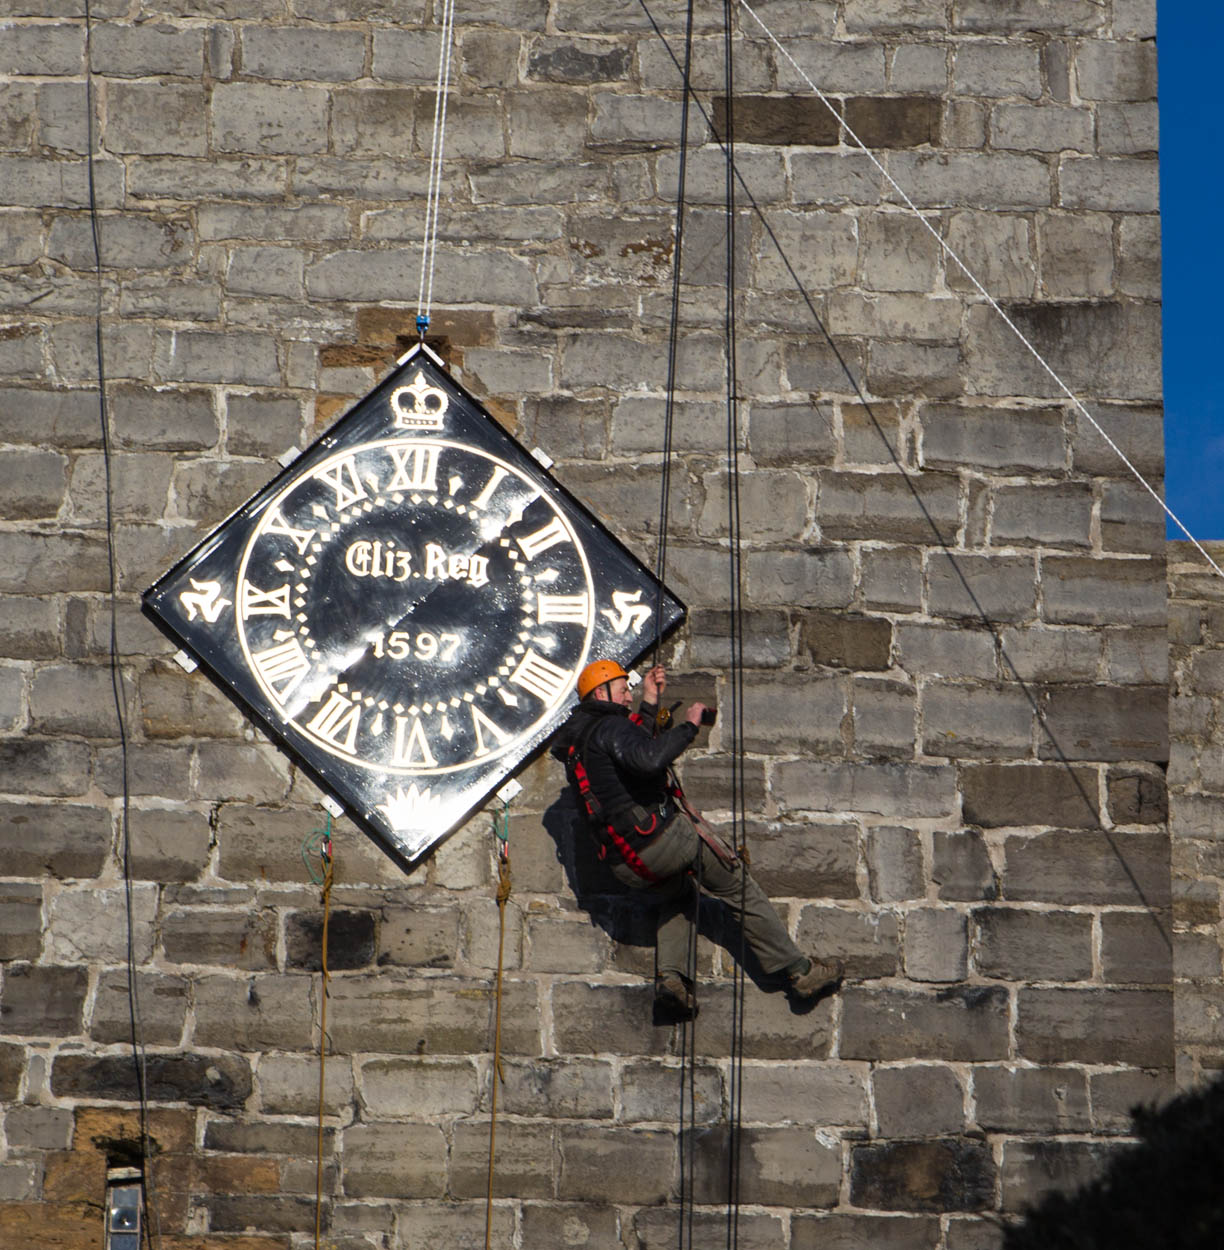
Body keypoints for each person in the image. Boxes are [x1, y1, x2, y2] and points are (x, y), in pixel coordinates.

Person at [556, 658, 843, 1016]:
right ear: (601, 692)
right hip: (661, 842)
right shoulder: (610, 726)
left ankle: (673, 981)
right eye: (622, 688)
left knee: (678, 895)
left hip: (626, 864)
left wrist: (650, 701)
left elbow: (631, 752)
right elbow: (648, 759)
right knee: (737, 884)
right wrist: (688, 727)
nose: (627, 695)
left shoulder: (581, 742)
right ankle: (800, 973)